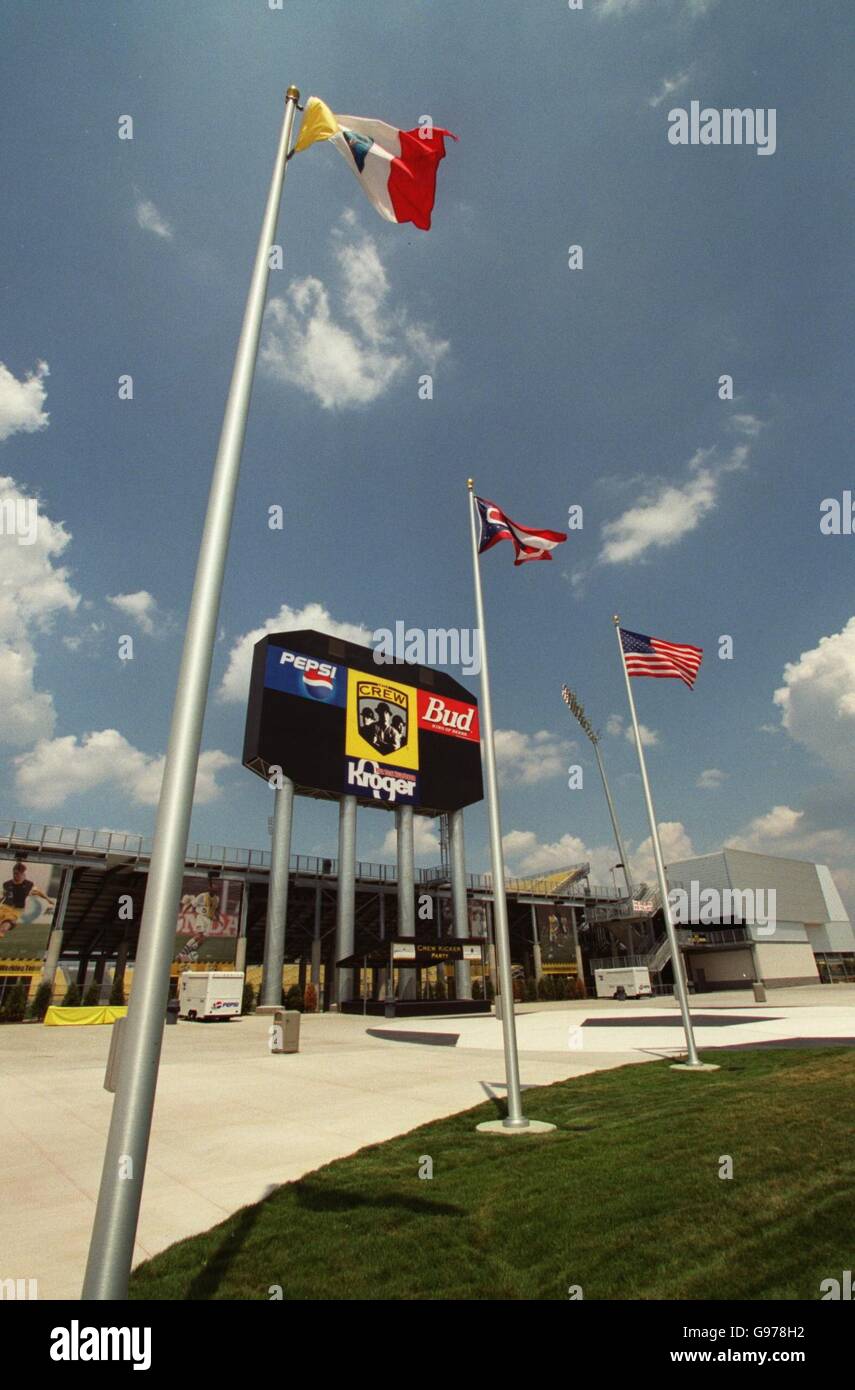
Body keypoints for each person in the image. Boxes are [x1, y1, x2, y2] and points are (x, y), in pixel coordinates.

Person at [0, 862, 55, 939]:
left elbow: (38, 892)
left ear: (23, 874)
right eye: (15, 873)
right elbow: (4, 895)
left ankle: (8, 926)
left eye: (19, 874)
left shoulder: (28, 884)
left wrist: (48, 899)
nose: (16, 875)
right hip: (4, 907)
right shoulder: (6, 884)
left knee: (4, 928)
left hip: (16, 910)